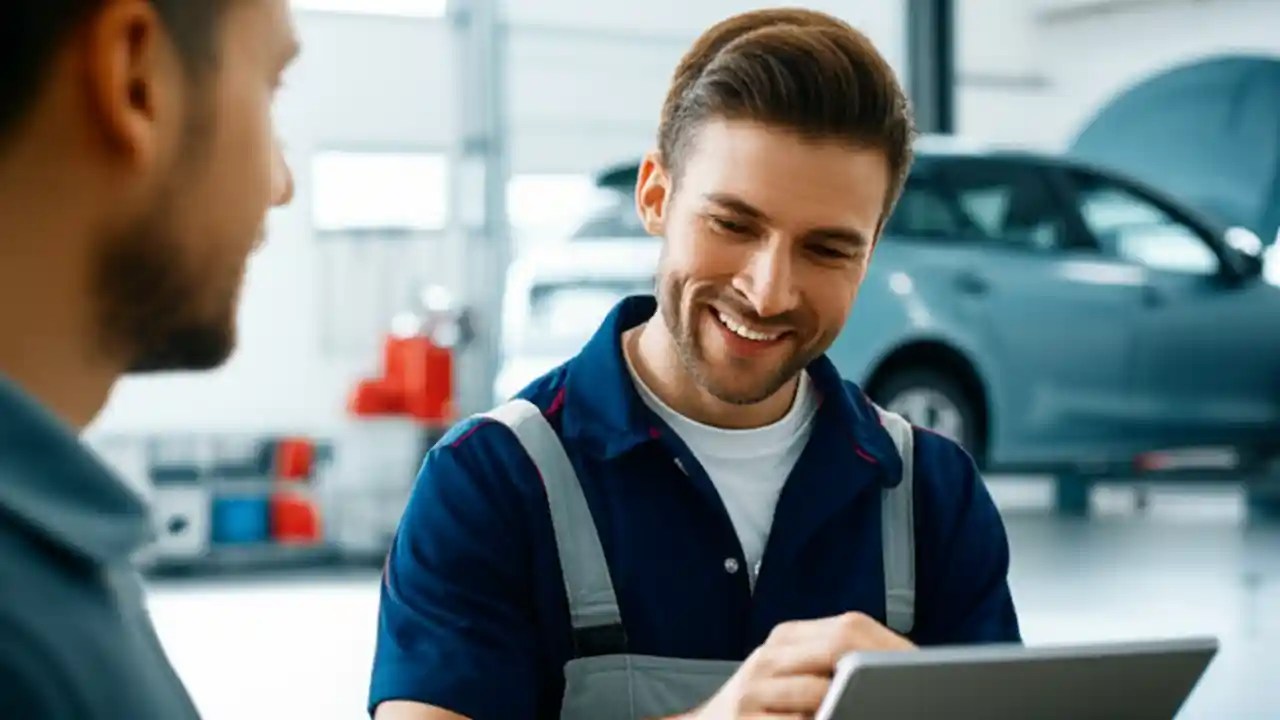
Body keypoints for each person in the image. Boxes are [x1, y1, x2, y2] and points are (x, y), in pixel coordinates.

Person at [370, 8, 1020, 720]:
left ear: (869, 253)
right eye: (733, 224)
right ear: (655, 196)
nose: (768, 290)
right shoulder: (488, 485)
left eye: (827, 249)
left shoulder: (933, 496)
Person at [0, 0, 297, 717]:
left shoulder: (52, 572)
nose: (280, 182)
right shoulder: (30, 645)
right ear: (138, 79)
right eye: (269, 85)